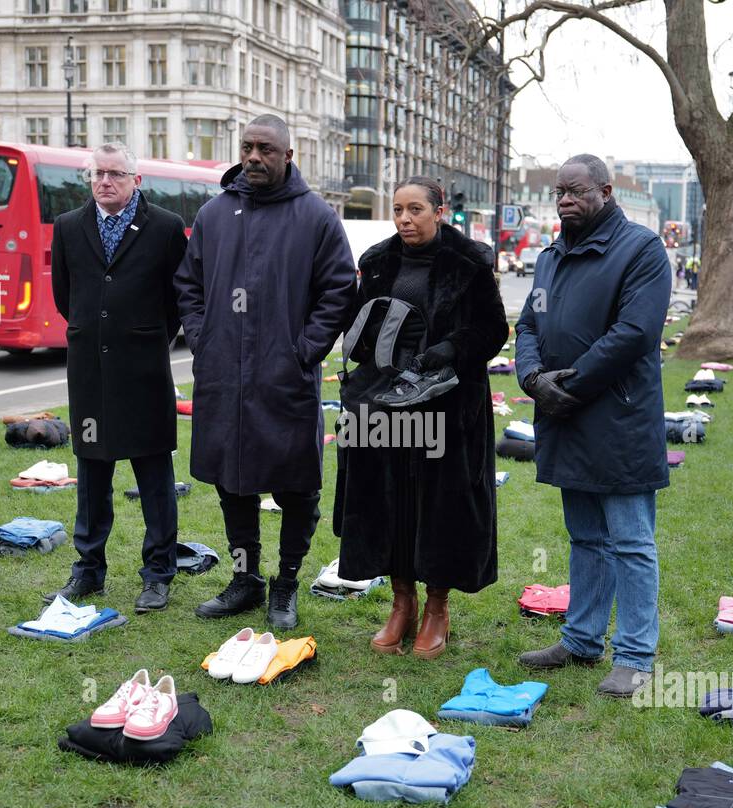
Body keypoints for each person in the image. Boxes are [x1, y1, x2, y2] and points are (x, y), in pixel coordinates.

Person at [175, 114, 357, 631]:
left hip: (284, 377)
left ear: (288, 156)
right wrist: (202, 337)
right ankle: (245, 579)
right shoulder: (215, 213)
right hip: (223, 376)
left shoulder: (316, 216)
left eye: (266, 150)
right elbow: (188, 283)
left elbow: (339, 289)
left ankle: (286, 583)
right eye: (248, 147)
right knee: (233, 485)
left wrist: (304, 350)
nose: (254, 157)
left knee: (297, 488)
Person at [513, 153, 672, 697]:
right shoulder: (550, 257)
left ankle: (635, 656)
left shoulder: (642, 250)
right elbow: (529, 324)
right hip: (564, 413)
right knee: (585, 537)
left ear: (607, 192)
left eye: (576, 192)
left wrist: (568, 387)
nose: (564, 201)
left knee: (630, 541)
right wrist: (533, 378)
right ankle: (581, 639)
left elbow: (633, 333)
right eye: (559, 192)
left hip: (618, 417)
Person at [332, 177, 509, 659]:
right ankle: (401, 603)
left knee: (438, 506)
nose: (405, 219)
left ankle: (436, 608)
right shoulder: (376, 261)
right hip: (383, 403)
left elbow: (494, 329)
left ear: (439, 211)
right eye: (397, 210)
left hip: (447, 405)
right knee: (388, 503)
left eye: (415, 209)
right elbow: (356, 320)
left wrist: (449, 349)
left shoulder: (470, 262)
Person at [47, 143, 187, 613]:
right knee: (91, 475)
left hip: (144, 369)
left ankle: (158, 573)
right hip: (89, 370)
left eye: (116, 174)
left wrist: (147, 337)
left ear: (136, 180)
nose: (105, 181)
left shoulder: (165, 228)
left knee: (154, 475)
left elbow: (177, 300)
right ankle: (87, 571)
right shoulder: (69, 227)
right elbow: (65, 295)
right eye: (98, 173)